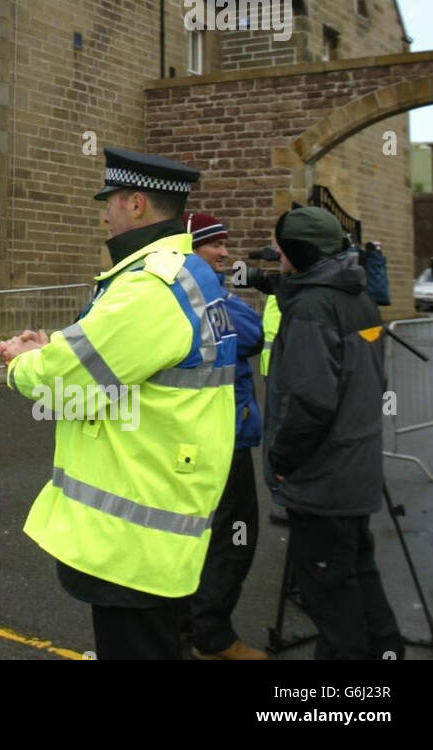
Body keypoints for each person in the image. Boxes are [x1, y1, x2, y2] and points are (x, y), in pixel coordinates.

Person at [0, 147, 236, 659]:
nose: (103, 214)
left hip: (134, 539)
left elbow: (67, 383)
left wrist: (22, 362)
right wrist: (57, 347)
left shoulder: (150, 286)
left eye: (109, 202)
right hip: (159, 511)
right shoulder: (184, 270)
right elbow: (112, 356)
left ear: (136, 204)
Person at [264, 206, 404, 660]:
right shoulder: (354, 294)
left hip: (323, 477)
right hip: (355, 465)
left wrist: (283, 462)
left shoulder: (312, 308)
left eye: (284, 248)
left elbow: (310, 399)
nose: (278, 256)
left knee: (330, 595)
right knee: (358, 573)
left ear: (298, 251)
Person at [182, 212, 268, 660]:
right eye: (213, 245)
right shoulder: (208, 295)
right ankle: (212, 637)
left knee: (192, 534)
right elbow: (251, 334)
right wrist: (220, 295)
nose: (225, 252)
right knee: (233, 539)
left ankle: (185, 625)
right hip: (223, 438)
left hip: (191, 438)